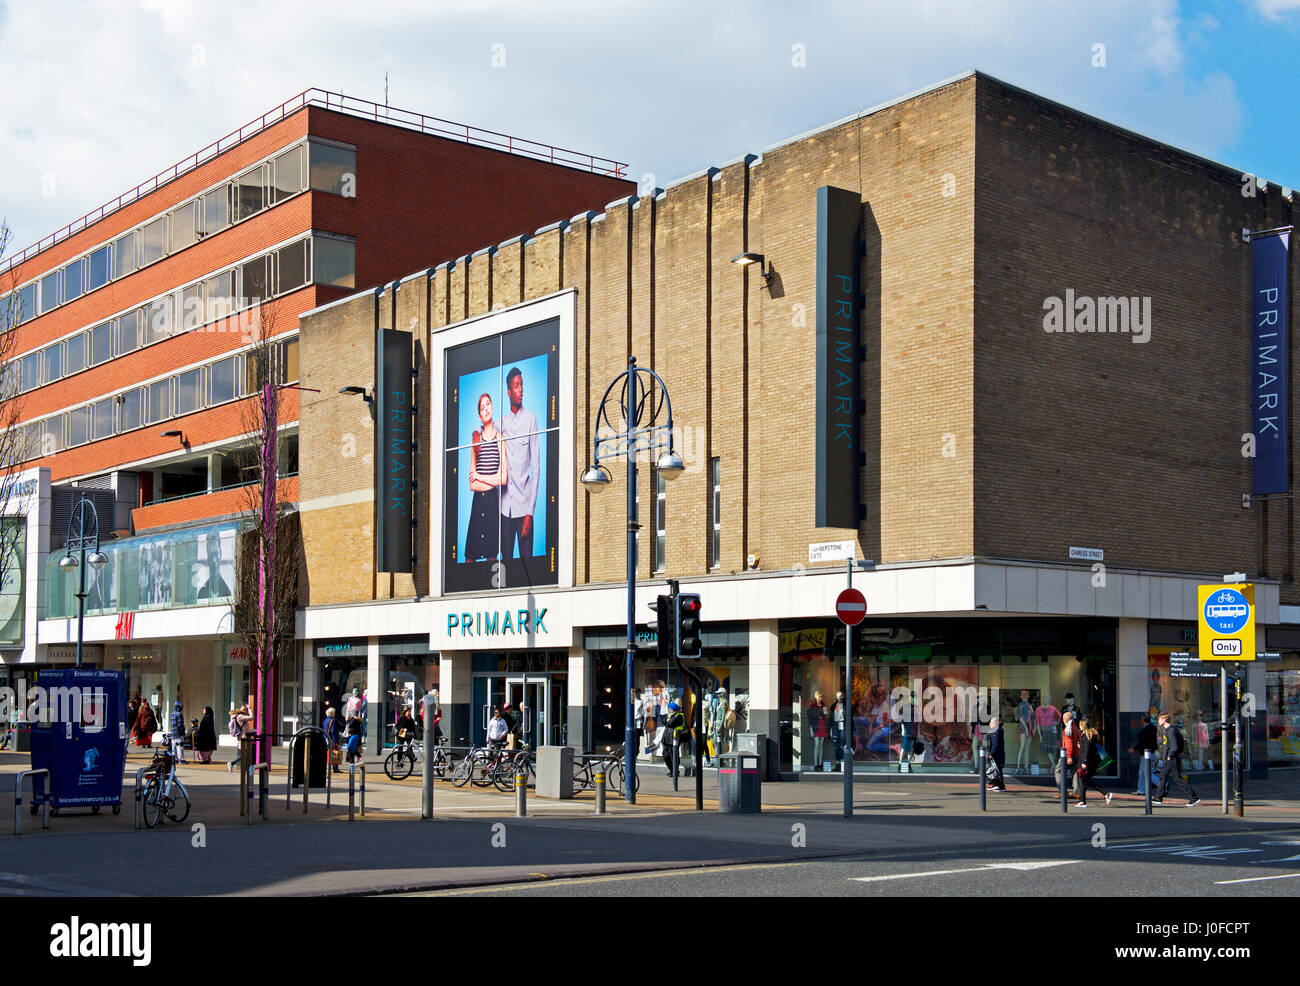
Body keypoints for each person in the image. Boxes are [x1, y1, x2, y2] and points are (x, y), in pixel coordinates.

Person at [499, 366, 541, 565]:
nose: (521, 389)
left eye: (522, 385)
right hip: (504, 508)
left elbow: (537, 468)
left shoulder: (531, 419)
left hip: (524, 507)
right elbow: (483, 432)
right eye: (516, 386)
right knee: (505, 567)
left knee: (527, 567)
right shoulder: (501, 424)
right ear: (509, 392)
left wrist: (530, 512)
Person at [465, 393, 507, 561]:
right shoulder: (476, 439)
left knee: (491, 555)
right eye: (482, 407)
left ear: (492, 407)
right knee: (470, 556)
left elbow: (503, 479)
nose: (486, 408)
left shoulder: (500, 439)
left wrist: (480, 477)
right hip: (477, 503)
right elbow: (472, 484)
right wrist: (492, 479)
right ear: (479, 416)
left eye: (488, 404)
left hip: (491, 502)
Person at [1153, 712, 1201, 807]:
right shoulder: (1169, 730)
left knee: (1175, 778)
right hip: (1171, 758)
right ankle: (1158, 798)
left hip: (1172, 758)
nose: (1158, 721)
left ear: (1164, 719)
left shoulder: (1171, 730)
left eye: (1159, 719)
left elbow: (1174, 746)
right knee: (1165, 777)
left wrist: (1169, 755)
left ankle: (1193, 797)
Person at [1074, 718, 1111, 806]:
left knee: (1082, 780)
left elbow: (1087, 750)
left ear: (1083, 725)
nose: (1079, 726)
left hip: (1086, 763)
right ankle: (1106, 794)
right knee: (1086, 780)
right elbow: (1088, 748)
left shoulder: (1086, 736)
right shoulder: (1090, 735)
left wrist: (1084, 762)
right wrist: (1081, 746)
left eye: (1080, 725)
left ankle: (1083, 801)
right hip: (1091, 762)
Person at [1129, 713, 1158, 795]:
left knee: (1147, 772)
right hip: (1145, 752)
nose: (1140, 720)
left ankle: (1162, 785)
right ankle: (1141, 789)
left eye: (1141, 719)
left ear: (1144, 720)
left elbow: (1144, 742)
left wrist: (1134, 748)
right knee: (1142, 772)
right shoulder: (1149, 728)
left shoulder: (1149, 729)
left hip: (1147, 753)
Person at [807, 690, 829, 771]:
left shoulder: (823, 705)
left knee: (821, 745)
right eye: (819, 696)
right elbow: (810, 719)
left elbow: (826, 716)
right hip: (816, 726)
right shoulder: (812, 706)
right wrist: (811, 729)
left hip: (822, 725)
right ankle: (815, 763)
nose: (820, 698)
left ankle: (820, 763)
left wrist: (827, 728)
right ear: (816, 696)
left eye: (821, 696)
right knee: (816, 745)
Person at [663, 701, 686, 777]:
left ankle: (675, 771)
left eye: (670, 708)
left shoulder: (679, 716)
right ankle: (671, 770)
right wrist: (667, 721)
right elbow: (664, 721)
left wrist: (667, 722)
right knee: (666, 755)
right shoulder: (670, 715)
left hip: (674, 738)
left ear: (673, 709)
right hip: (666, 738)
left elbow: (670, 723)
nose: (669, 709)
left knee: (674, 755)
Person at [1058, 710, 1079, 793]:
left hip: (1068, 755)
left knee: (1059, 771)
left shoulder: (1068, 729)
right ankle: (1076, 792)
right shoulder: (1075, 728)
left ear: (1065, 720)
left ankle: (1062, 791)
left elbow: (1069, 743)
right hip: (1076, 754)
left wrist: (1069, 756)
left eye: (1063, 719)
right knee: (1075, 773)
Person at [985, 715, 1006, 791]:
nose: (989, 724)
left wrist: (991, 753)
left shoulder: (995, 731)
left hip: (996, 755)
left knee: (996, 770)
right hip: (997, 754)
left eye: (991, 722)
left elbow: (995, 744)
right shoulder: (997, 730)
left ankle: (999, 785)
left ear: (995, 723)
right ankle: (996, 784)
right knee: (995, 770)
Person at [831, 691, 847, 770]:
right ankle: (837, 763)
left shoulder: (846, 705)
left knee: (842, 745)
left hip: (842, 724)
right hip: (835, 724)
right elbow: (831, 713)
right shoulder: (834, 705)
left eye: (841, 696)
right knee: (835, 746)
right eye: (838, 696)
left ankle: (842, 764)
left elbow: (848, 716)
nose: (839, 697)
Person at [323, 707, 341, 773]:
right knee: (335, 754)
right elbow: (333, 731)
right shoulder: (332, 721)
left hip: (326, 738)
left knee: (327, 753)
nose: (335, 714)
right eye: (334, 713)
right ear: (332, 713)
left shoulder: (325, 721)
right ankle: (335, 768)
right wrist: (335, 741)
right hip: (332, 739)